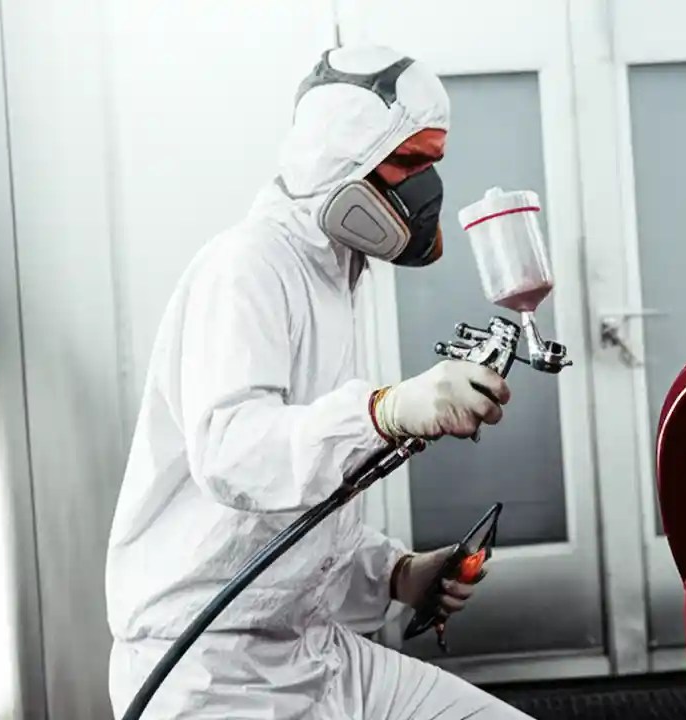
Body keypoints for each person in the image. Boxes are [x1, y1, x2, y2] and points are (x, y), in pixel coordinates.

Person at [105, 45, 533, 719]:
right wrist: (386, 410)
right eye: (411, 163)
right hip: (210, 668)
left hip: (311, 651)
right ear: (341, 161)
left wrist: (399, 574)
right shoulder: (246, 267)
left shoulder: (336, 275)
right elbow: (233, 453)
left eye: (433, 166)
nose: (425, 191)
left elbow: (293, 511)